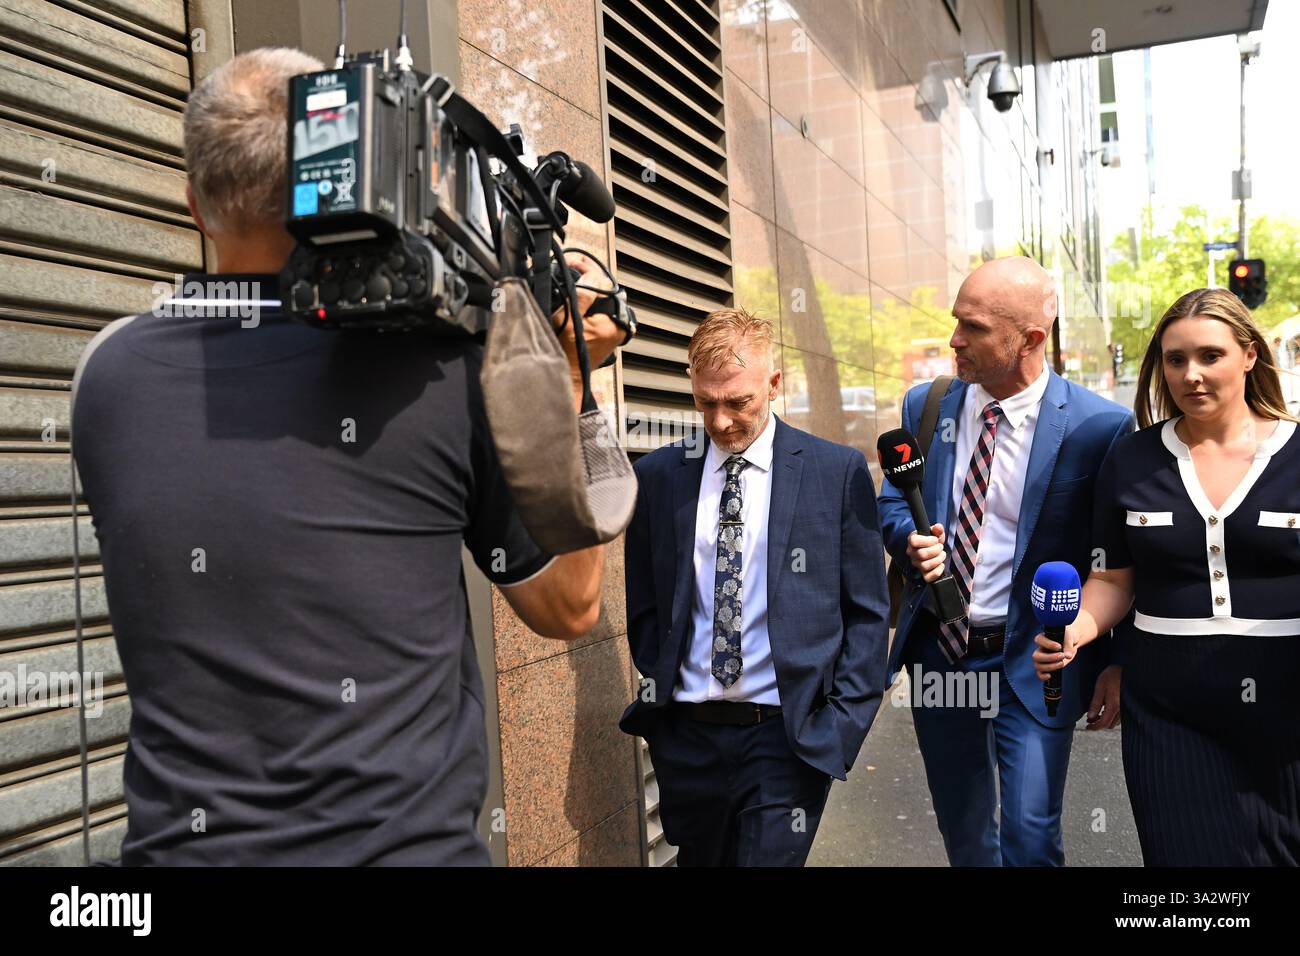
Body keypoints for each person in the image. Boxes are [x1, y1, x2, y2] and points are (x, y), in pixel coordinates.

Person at [70, 48, 625, 865]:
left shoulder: (105, 375)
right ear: (344, 181)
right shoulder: (444, 373)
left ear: (192, 203)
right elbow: (569, 606)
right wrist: (563, 377)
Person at [878, 256, 1133, 866]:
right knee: (966, 838)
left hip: (1035, 663)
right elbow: (894, 498)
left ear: (1030, 339)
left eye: (974, 327)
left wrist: (1116, 662)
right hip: (942, 655)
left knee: (1030, 836)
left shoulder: (1101, 428)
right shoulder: (928, 405)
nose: (954, 339)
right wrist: (906, 540)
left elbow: (1118, 561)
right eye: (955, 321)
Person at [1034, 288, 1300, 866]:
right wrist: (1078, 629)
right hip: (1171, 711)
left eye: (1210, 356)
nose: (1191, 374)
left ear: (1249, 355)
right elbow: (1112, 580)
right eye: (1175, 359)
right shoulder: (1131, 459)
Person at [620, 308, 889, 866]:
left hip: (786, 741)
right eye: (705, 401)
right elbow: (646, 606)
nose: (719, 421)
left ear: (773, 384)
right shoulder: (659, 477)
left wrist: (840, 726)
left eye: (737, 401)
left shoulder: (833, 472)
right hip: (688, 741)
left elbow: (866, 612)